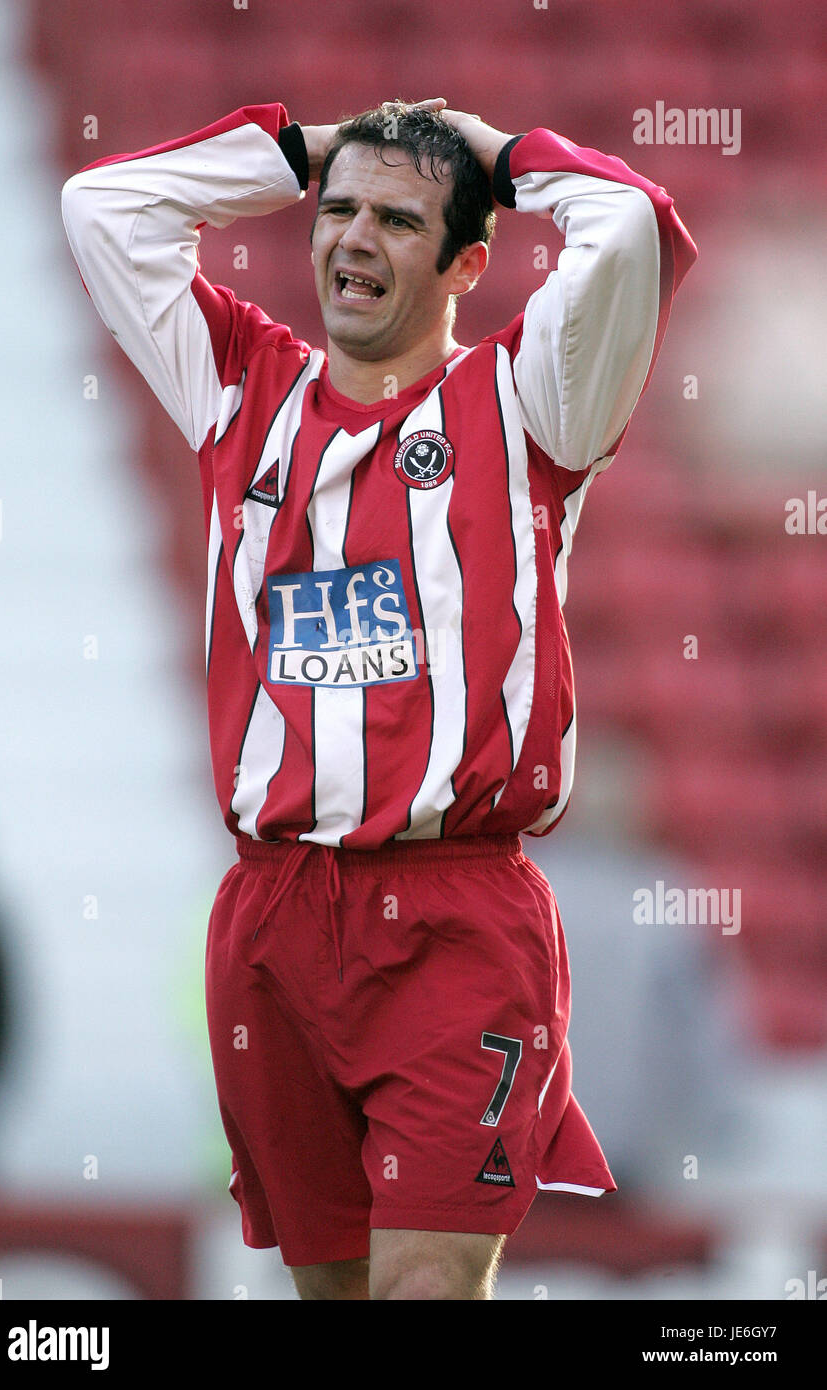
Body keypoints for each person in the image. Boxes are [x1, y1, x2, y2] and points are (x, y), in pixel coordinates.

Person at [61, 95, 696, 1300]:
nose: (352, 237)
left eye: (397, 219)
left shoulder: (530, 402)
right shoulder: (238, 383)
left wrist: (496, 153)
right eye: (337, 211)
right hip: (272, 917)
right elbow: (103, 208)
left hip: (454, 917)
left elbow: (624, 228)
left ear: (468, 261)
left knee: (424, 1288)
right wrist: (309, 146)